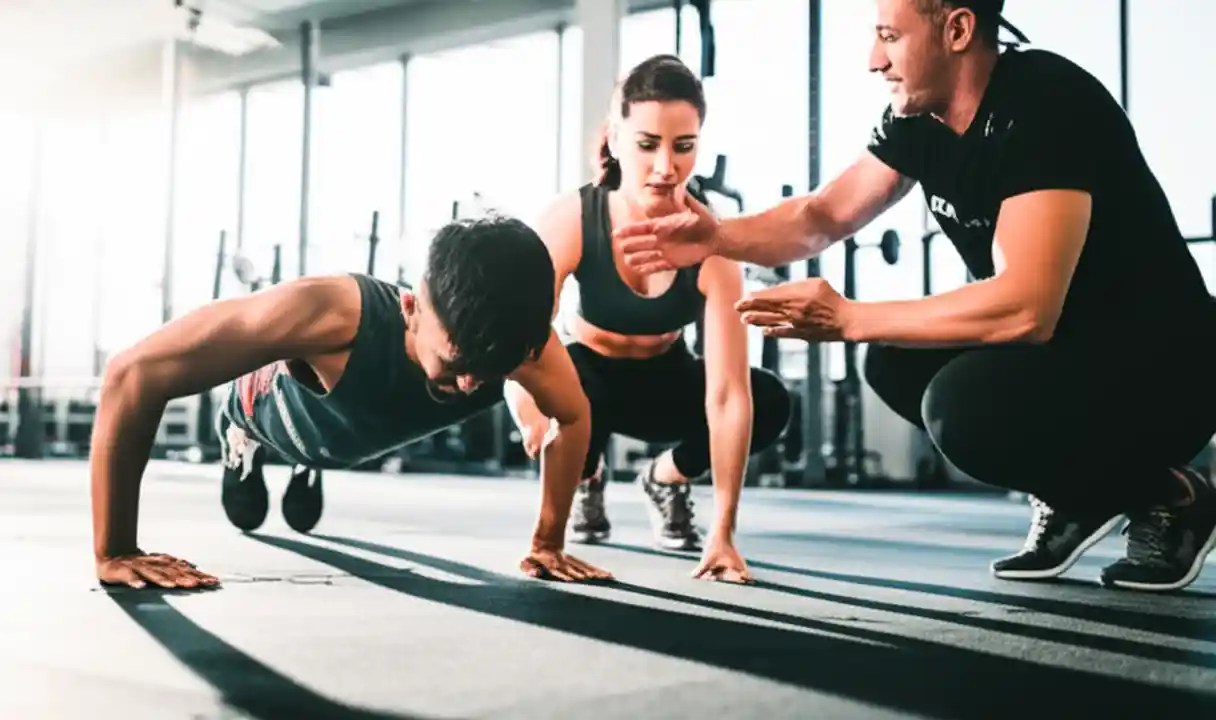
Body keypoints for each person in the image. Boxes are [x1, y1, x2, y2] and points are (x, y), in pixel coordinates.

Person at [614, 0, 1216, 592]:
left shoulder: (1045, 103)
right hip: (1068, 357)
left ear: (956, 29)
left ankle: (1172, 495)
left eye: (889, 36)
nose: (875, 59)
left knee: (961, 407)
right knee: (893, 360)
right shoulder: (917, 123)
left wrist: (849, 316)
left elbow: (1028, 307)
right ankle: (1077, 494)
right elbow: (822, 215)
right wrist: (717, 235)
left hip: (1165, 370)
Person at [91, 216, 614, 589]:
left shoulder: (523, 345)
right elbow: (133, 371)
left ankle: (305, 463)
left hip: (347, 430)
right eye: (455, 366)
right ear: (411, 308)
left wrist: (547, 541)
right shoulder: (329, 311)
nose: (472, 386)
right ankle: (241, 441)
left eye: (492, 372)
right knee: (254, 491)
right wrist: (115, 550)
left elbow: (572, 414)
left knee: (333, 446)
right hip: (271, 409)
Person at [506, 55, 795, 585]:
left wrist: (723, 533)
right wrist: (527, 406)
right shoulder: (572, 217)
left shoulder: (714, 243)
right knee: (558, 384)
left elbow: (728, 393)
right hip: (587, 382)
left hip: (666, 380)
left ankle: (664, 479)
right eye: (647, 145)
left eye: (683, 147)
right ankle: (586, 475)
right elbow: (521, 335)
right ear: (614, 139)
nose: (666, 167)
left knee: (769, 399)